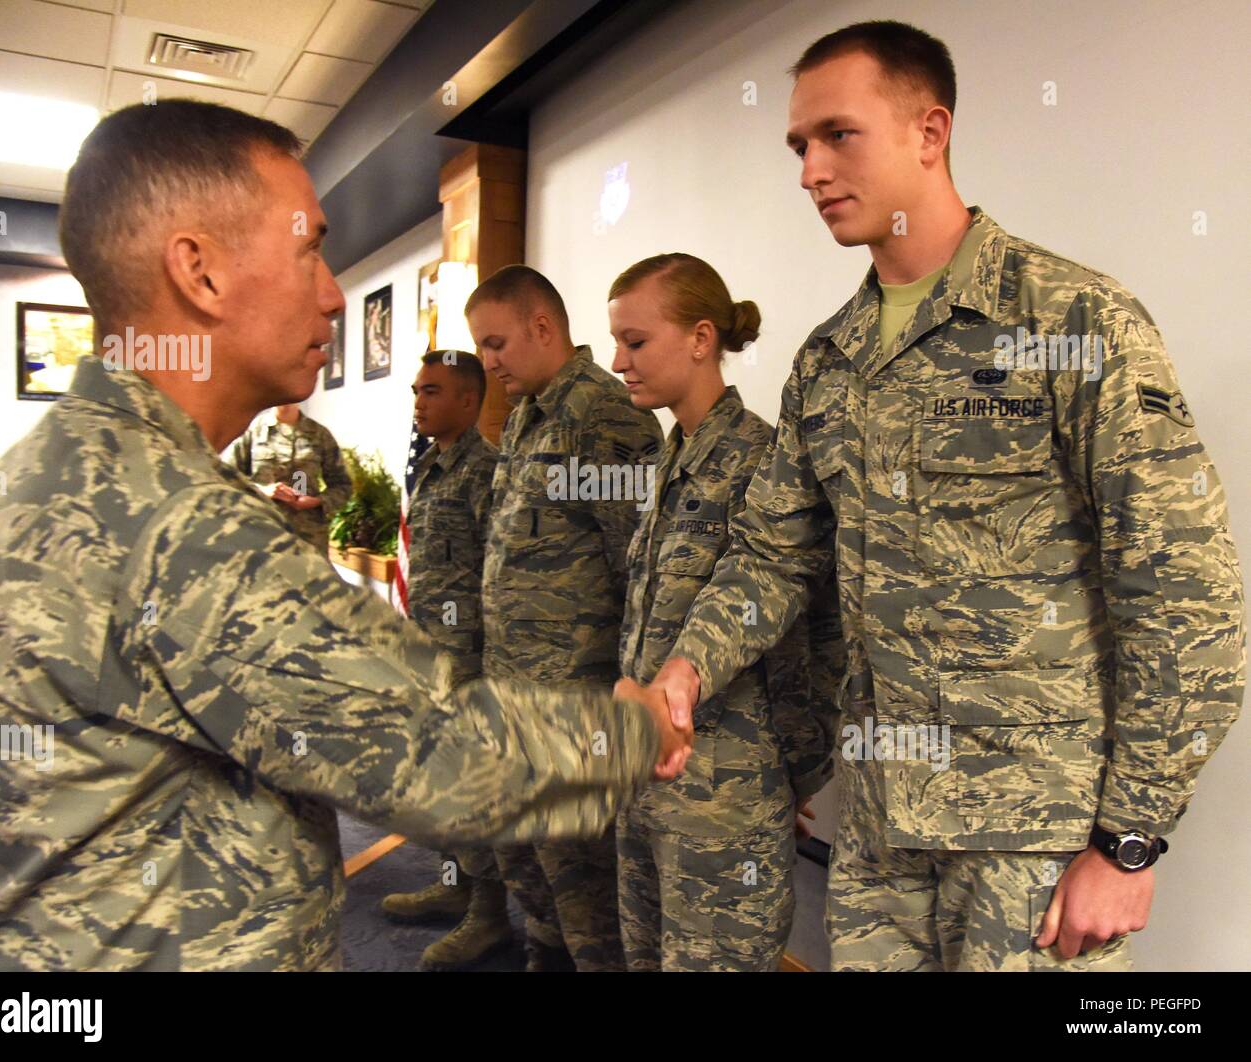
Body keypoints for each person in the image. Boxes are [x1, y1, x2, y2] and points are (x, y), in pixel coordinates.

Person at [0, 99, 689, 972]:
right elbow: (434, 749)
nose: (334, 292)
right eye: (309, 249)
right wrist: (639, 729)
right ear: (200, 272)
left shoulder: (40, 474)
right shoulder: (176, 519)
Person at [636, 20, 1245, 971]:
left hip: (1031, 845)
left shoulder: (1072, 321)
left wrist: (1130, 839)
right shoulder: (829, 360)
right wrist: (686, 671)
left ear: (930, 132)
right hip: (880, 837)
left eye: (838, 135)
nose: (811, 171)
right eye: (799, 146)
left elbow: (1184, 593)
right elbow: (771, 555)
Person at [609, 253, 842, 971]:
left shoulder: (761, 463)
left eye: (635, 341)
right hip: (647, 782)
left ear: (701, 339)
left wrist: (788, 774)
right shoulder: (673, 458)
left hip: (724, 804)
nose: (618, 362)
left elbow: (815, 635)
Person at [467, 265, 664, 971]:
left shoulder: (604, 417)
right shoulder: (527, 415)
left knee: (587, 892)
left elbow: (639, 570)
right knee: (527, 866)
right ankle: (544, 953)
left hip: (575, 704)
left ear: (542, 327)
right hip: (515, 693)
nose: (488, 361)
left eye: (496, 343)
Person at [379, 349, 513, 971]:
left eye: (431, 391)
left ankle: (488, 915)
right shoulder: (431, 467)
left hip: (469, 660)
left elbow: (497, 573)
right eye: (415, 390)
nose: (418, 402)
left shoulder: (486, 473)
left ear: (468, 399)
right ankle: (453, 885)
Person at [226, 402, 351, 554]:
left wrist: (317, 501)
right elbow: (227, 477)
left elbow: (343, 485)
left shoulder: (320, 434)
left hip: (309, 537)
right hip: (263, 530)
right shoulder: (253, 431)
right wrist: (263, 491)